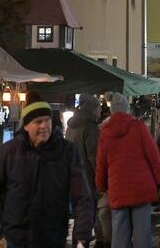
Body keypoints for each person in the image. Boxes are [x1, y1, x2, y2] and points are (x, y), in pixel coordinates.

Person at [0, 100, 93, 248]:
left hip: (52, 238)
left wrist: (81, 237)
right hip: (13, 239)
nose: (44, 126)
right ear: (26, 126)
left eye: (48, 120)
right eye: (38, 121)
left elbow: (82, 197)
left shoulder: (67, 152)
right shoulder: (8, 152)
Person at [96, 92, 160, 248]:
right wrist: (159, 180)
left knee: (119, 235)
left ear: (112, 110)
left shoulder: (105, 133)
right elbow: (153, 156)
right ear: (127, 109)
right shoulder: (138, 126)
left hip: (118, 189)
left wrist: (101, 185)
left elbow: (101, 164)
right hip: (141, 188)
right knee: (142, 234)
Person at [65, 94, 102, 244]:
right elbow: (95, 158)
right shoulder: (90, 128)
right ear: (92, 110)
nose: (100, 111)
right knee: (86, 220)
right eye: (98, 108)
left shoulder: (71, 126)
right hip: (88, 180)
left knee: (80, 218)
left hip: (73, 178)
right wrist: (101, 180)